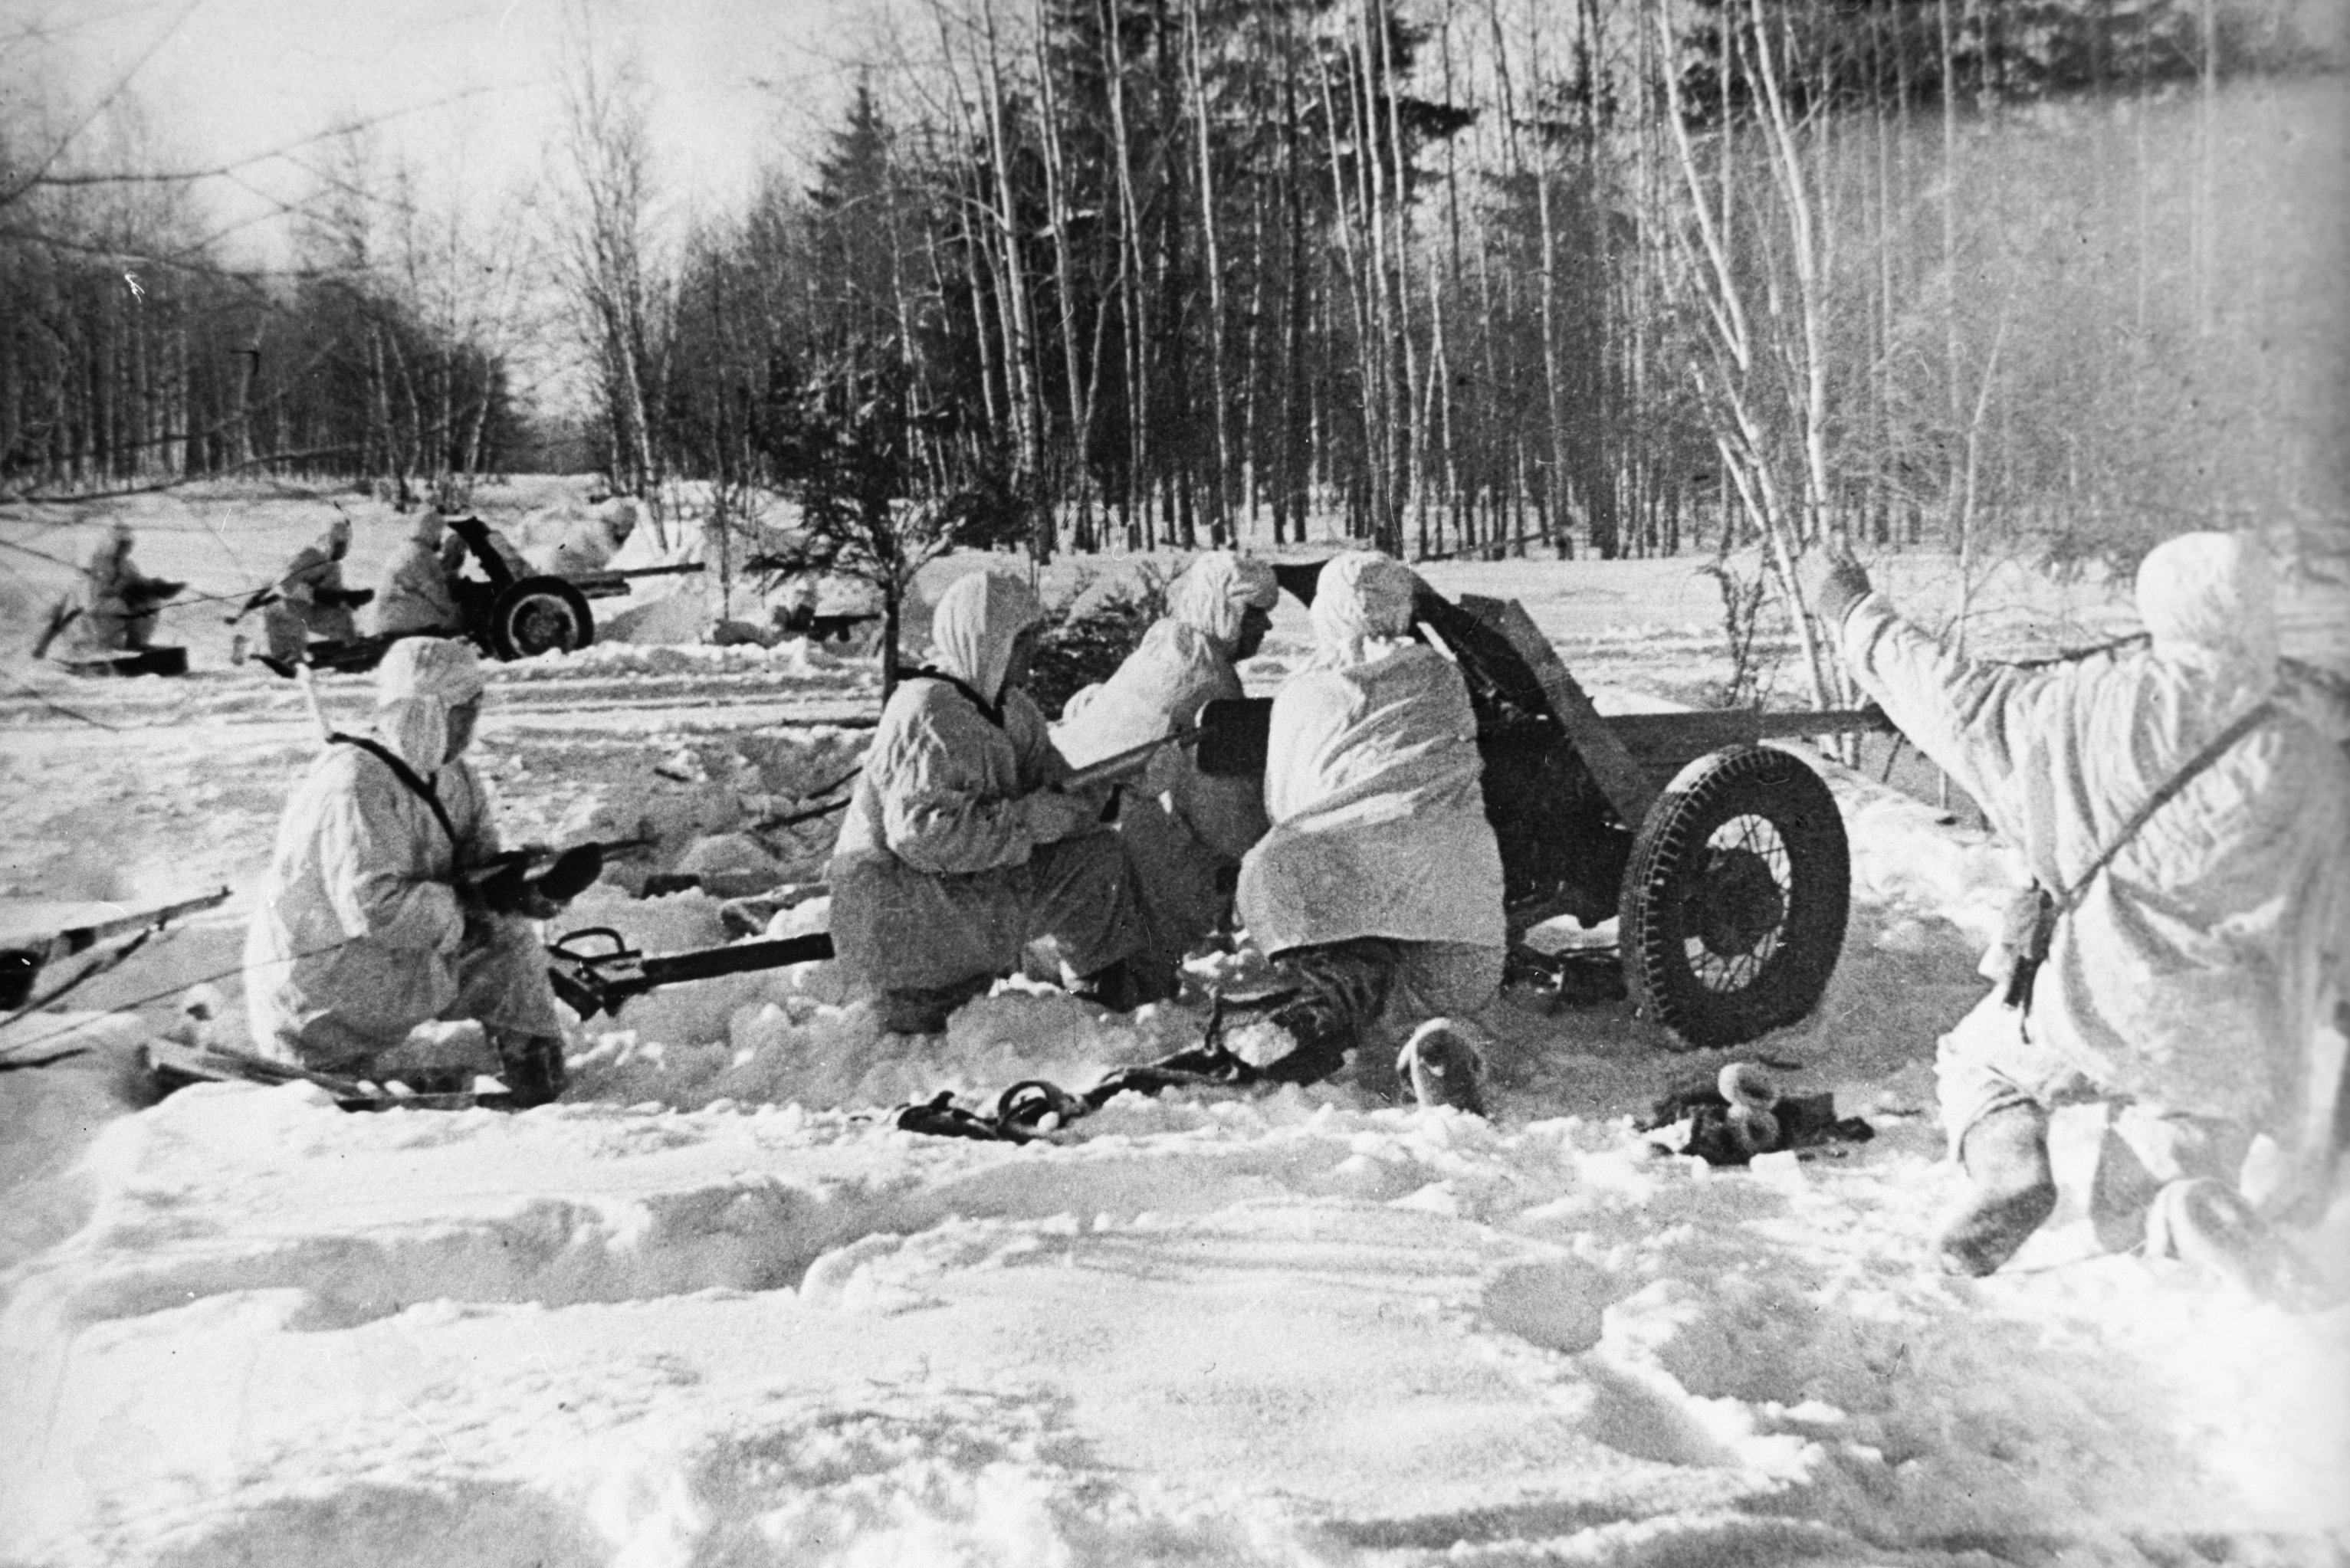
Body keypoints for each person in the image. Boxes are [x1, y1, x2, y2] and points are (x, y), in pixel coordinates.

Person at [1804, 532, 2350, 1297]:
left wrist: (1849, 603)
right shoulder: (2305, 755)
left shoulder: (2071, 707)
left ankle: (2011, 1163)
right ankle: (2183, 1205)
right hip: (2228, 1033)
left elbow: (1943, 691)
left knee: (1979, 1061)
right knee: (2196, 1127)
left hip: (2087, 1000)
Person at [244, 637, 571, 1105]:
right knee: (494, 937)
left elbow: (478, 867)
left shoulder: (455, 775)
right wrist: (473, 901)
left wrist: (522, 882)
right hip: (325, 987)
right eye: (463, 715)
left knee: (509, 940)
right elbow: (374, 909)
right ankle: (336, 1066)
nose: (470, 730)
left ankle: (535, 1074)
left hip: (386, 963)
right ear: (427, 711)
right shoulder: (355, 784)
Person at [1225, 551, 1508, 1092]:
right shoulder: (1439, 675)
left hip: (1314, 887)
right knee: (1442, 995)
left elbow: (1279, 801)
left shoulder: (1300, 691)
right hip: (1450, 889)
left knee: (1339, 954)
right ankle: (1440, 1048)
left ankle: (1330, 1011)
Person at [826, 570, 1150, 1034]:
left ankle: (1099, 995)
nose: (1031, 656)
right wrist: (1024, 824)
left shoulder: (1015, 712)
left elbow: (1056, 789)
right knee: (926, 1027)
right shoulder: (927, 713)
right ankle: (921, 1011)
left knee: (1095, 859)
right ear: (985, 642)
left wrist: (1112, 790)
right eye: (1020, 643)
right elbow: (920, 836)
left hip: (971, 898)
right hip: (904, 917)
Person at [1055, 552, 1280, 995]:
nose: (1267, 628)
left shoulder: (1163, 652)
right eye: (1256, 614)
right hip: (1142, 881)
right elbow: (1226, 821)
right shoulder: (1209, 685)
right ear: (1226, 611)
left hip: (1089, 855)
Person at [260, 517, 360, 662]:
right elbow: (284, 585)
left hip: (306, 612)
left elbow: (332, 596)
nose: (341, 550)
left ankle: (349, 648)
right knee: (289, 608)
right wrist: (315, 595)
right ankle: (287, 653)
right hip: (281, 611)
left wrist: (347, 599)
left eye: (344, 546)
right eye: (338, 545)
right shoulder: (308, 557)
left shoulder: (333, 566)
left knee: (341, 614)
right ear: (328, 540)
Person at [76, 521, 180, 652]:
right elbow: (102, 589)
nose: (124, 549)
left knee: (150, 603)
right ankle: (106, 645)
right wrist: (125, 592)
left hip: (121, 604)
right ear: (112, 544)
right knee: (118, 605)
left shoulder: (128, 566)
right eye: (122, 545)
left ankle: (137, 642)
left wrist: (156, 587)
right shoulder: (99, 563)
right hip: (99, 608)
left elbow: (140, 582)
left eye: (127, 545)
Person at [375, 510, 463, 637]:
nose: (440, 539)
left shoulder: (406, 549)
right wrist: (456, 613)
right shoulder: (422, 554)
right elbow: (435, 593)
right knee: (454, 623)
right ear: (432, 532)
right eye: (439, 533)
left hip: (387, 619)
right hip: (401, 622)